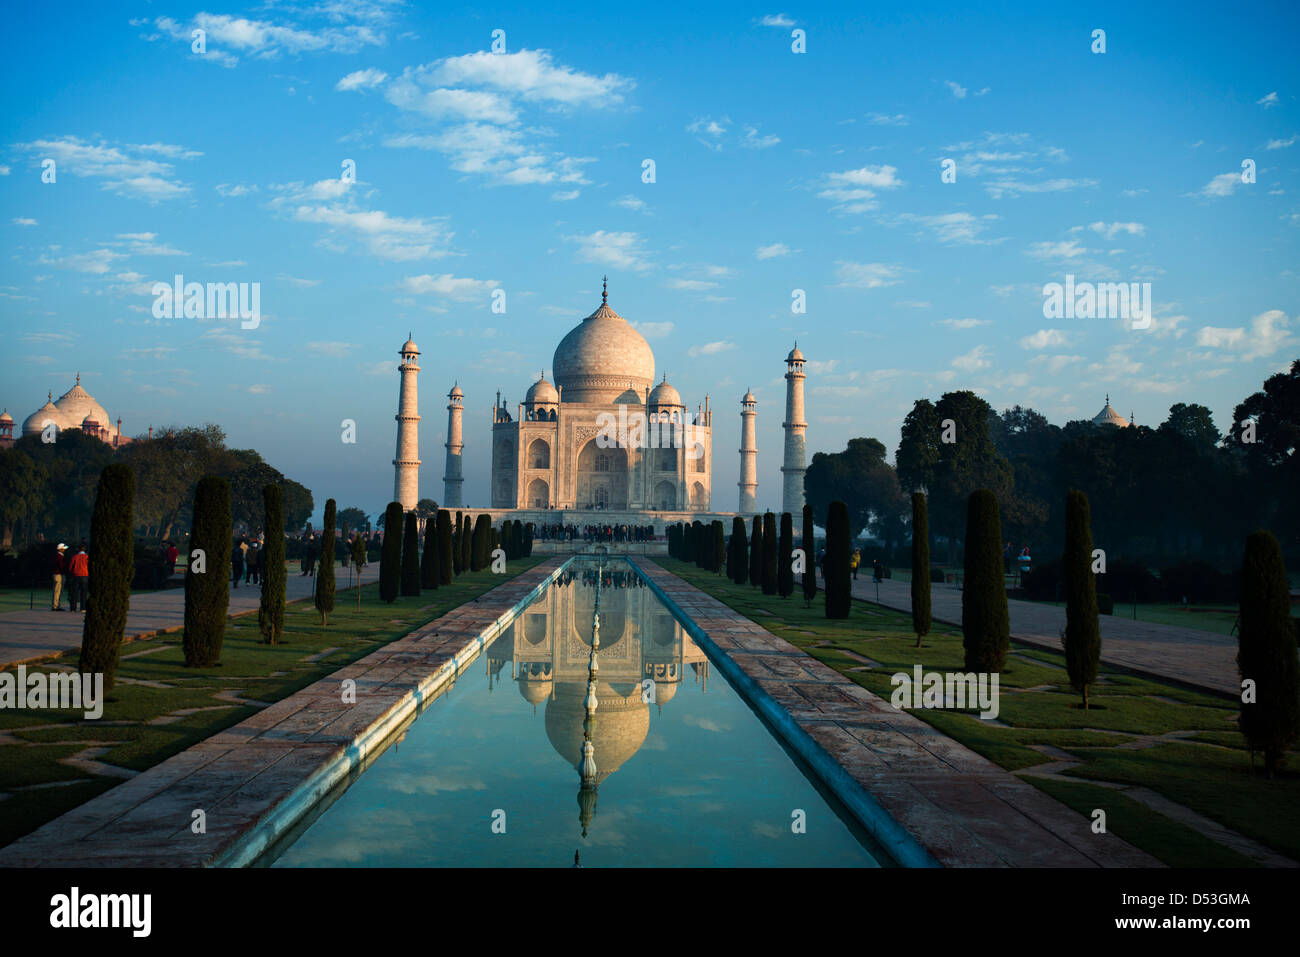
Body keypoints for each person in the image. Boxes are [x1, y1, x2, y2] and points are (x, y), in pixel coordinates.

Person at [67, 542, 89, 613]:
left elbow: (70, 567)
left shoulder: (75, 557)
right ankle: (83, 608)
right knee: (84, 593)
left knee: (74, 593)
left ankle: (73, 608)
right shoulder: (87, 557)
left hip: (76, 575)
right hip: (85, 575)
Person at [51, 543, 68, 611]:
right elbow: (61, 566)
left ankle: (57, 605)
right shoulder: (60, 556)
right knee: (57, 591)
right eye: (63, 549)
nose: (64, 550)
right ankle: (55, 606)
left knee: (57, 591)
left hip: (56, 574)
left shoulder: (57, 556)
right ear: (60, 549)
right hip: (58, 575)